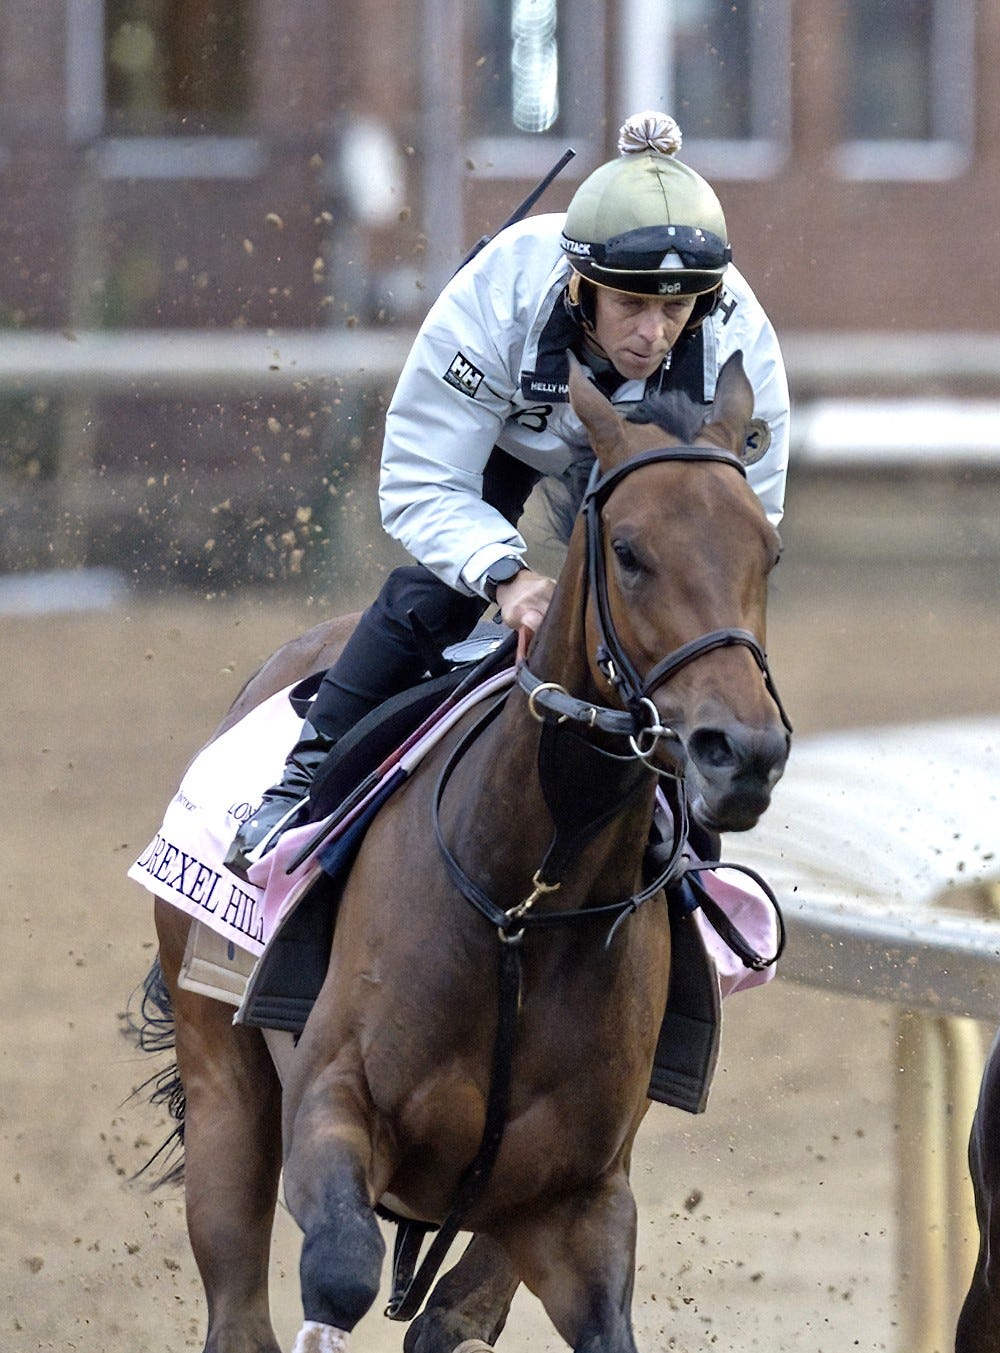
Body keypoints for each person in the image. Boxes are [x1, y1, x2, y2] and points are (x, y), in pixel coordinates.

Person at [226, 110, 791, 877]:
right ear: (579, 285)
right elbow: (424, 479)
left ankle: (689, 846)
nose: (653, 334)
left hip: (662, 460)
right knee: (435, 597)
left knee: (676, 617)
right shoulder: (496, 296)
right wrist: (508, 578)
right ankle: (301, 785)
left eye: (674, 308)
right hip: (505, 433)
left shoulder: (737, 336)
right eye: (629, 303)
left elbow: (743, 528)